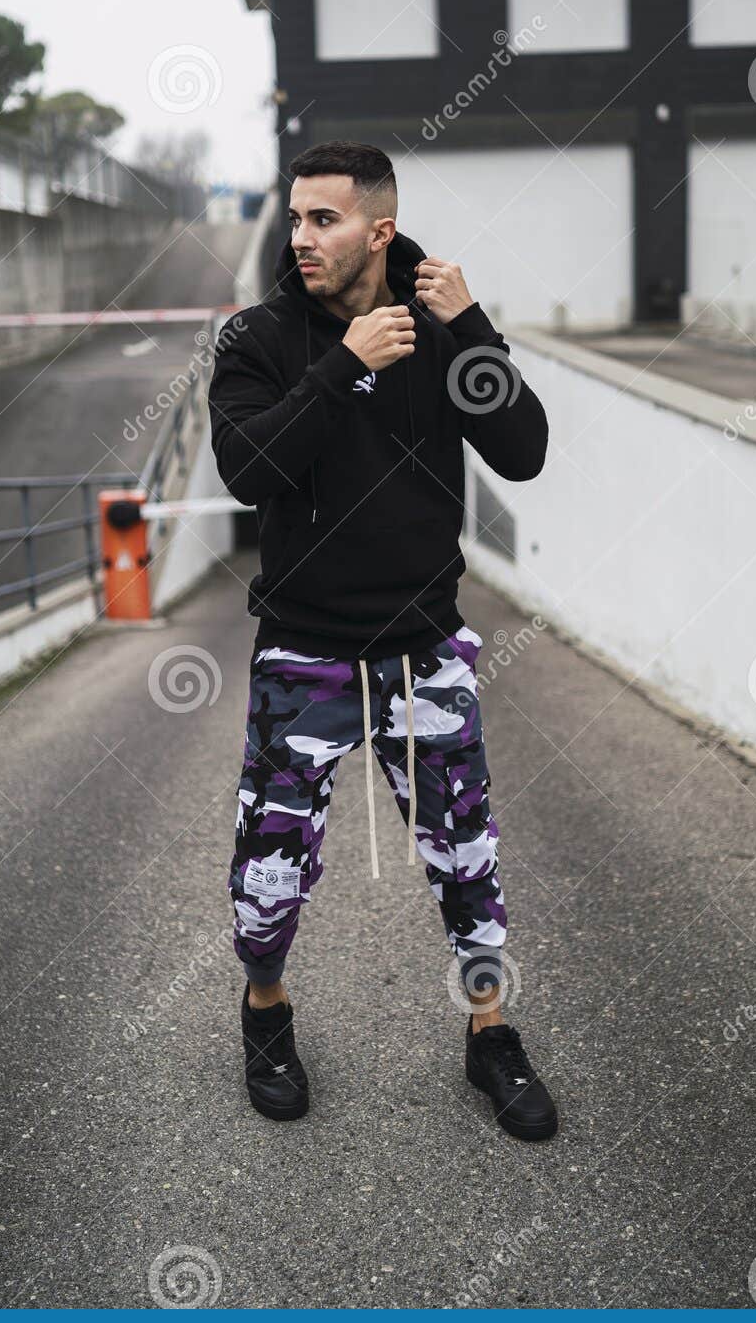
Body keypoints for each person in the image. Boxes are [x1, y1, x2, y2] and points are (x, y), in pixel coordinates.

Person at [207, 141, 557, 1141]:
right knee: (267, 882)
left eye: (324, 219)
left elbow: (523, 452)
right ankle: (265, 1010)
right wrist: (340, 369)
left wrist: (472, 326)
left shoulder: (441, 332)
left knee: (466, 862)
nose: (301, 237)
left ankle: (488, 1032)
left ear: (379, 229)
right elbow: (247, 467)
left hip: (422, 649)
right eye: (295, 217)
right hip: (302, 651)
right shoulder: (258, 337)